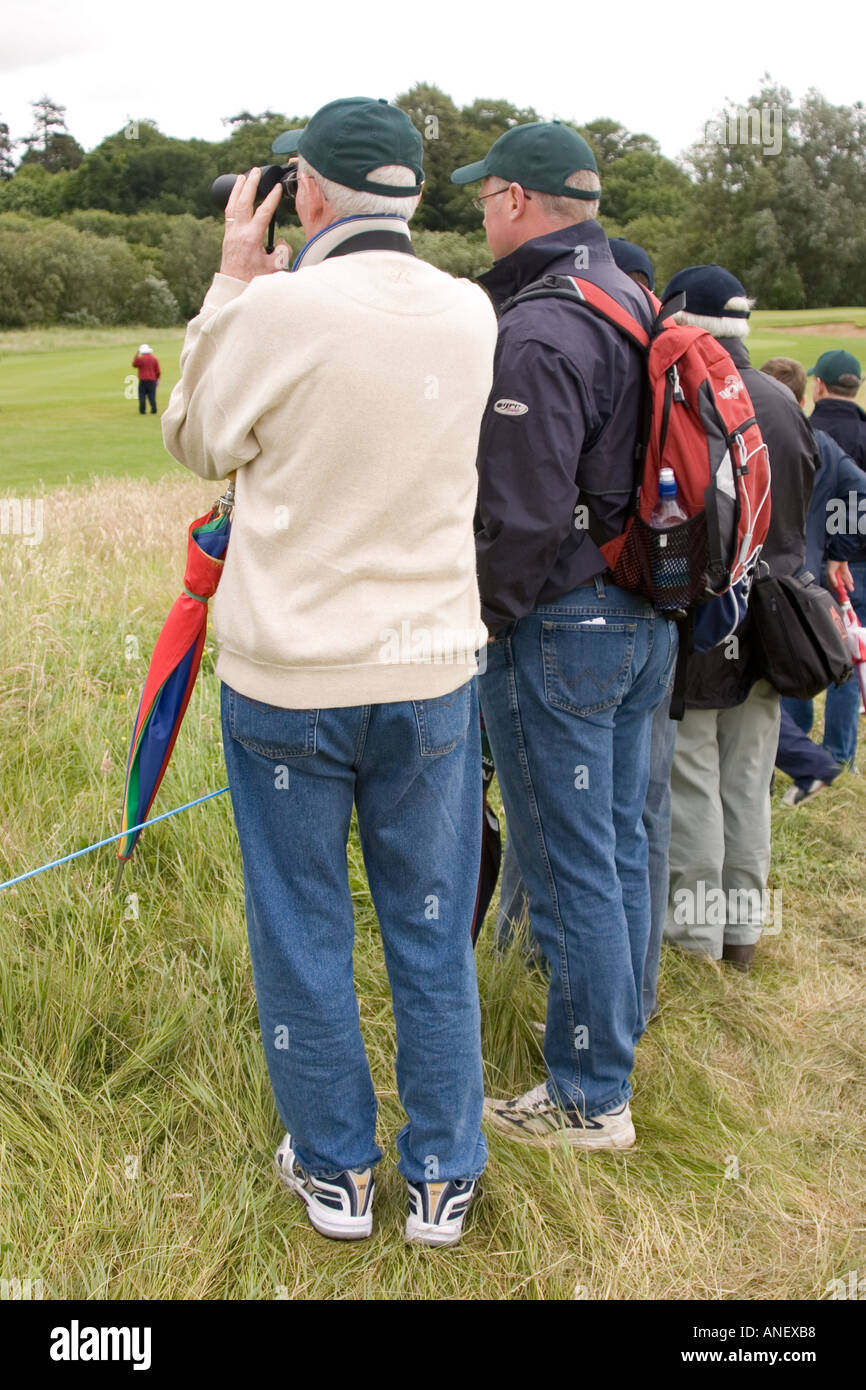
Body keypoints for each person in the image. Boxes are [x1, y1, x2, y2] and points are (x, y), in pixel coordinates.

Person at [162, 97, 498, 1247]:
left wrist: (230, 285)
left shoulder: (283, 306)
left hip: (292, 672)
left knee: (301, 923)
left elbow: (196, 438)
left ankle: (337, 1169)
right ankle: (444, 1170)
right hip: (431, 666)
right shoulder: (471, 310)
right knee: (429, 916)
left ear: (306, 191)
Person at [451, 122, 677, 1150]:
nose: (477, 215)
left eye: (481, 198)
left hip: (562, 624)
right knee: (620, 847)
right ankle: (609, 1055)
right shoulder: (627, 294)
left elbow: (519, 518)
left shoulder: (538, 327)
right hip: (641, 610)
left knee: (572, 864)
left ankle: (590, 1095)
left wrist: (477, 625)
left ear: (511, 199)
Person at [661, 268, 816, 972]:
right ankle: (741, 939)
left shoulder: (692, 392)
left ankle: (693, 946)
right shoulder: (786, 400)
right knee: (747, 784)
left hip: (707, 619)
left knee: (694, 785)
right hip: (775, 627)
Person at [760, 355, 866, 804]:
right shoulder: (818, 440)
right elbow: (860, 495)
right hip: (803, 577)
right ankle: (808, 759)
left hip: (758, 576)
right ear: (804, 396)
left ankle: (800, 763)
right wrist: (835, 551)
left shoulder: (752, 434)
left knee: (753, 680)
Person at [804, 350, 866, 770]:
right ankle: (839, 751)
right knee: (847, 654)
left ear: (819, 386)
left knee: (798, 644)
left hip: (811, 560)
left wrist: (832, 553)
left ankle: (795, 745)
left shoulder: (808, 430)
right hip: (858, 564)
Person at [132, 343, 160, 415]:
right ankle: (154, 410)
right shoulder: (154, 359)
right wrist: (157, 379)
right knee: (152, 396)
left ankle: (142, 410)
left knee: (142, 395)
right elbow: (158, 371)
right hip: (152, 380)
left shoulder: (141, 359)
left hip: (143, 380)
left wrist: (136, 354)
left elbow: (134, 364)